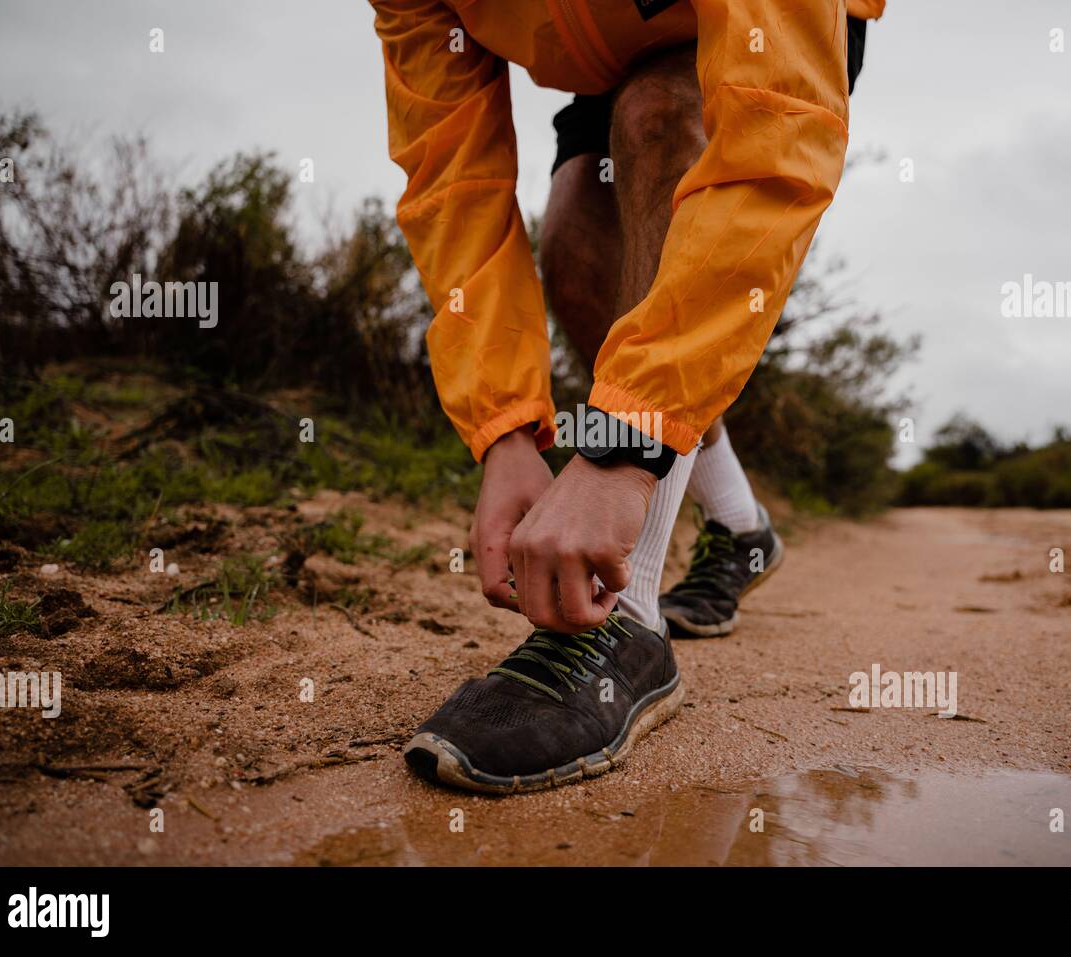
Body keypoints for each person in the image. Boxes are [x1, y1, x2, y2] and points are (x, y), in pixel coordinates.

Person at [369, 0, 883, 792]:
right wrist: (504, 431)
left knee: (663, 118)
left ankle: (630, 614)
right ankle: (741, 525)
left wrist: (623, 450)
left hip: (767, 27)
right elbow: (451, 181)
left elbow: (771, 136)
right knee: (577, 251)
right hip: (613, 42)